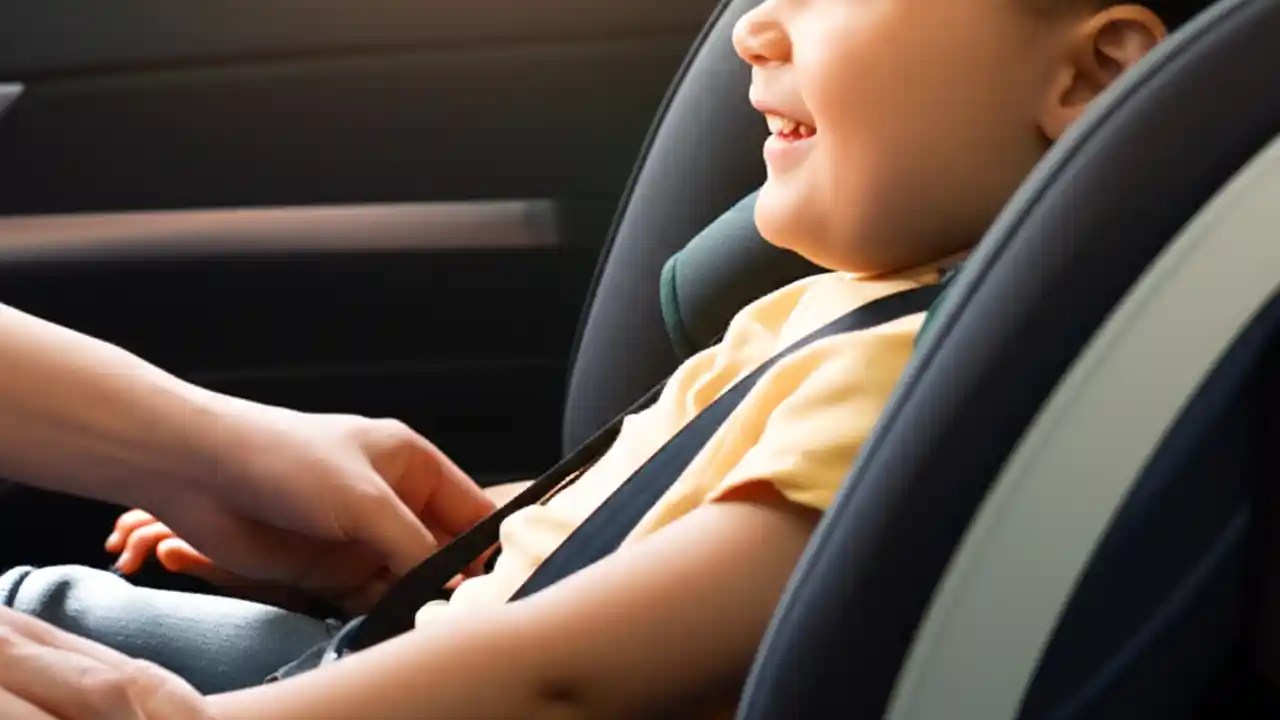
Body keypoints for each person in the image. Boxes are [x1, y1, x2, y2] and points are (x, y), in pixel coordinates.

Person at [0, 0, 1209, 717]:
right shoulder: (824, 315)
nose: (751, 27)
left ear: (1087, 75)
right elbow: (631, 535)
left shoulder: (915, 380)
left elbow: (566, 676)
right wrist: (408, 564)